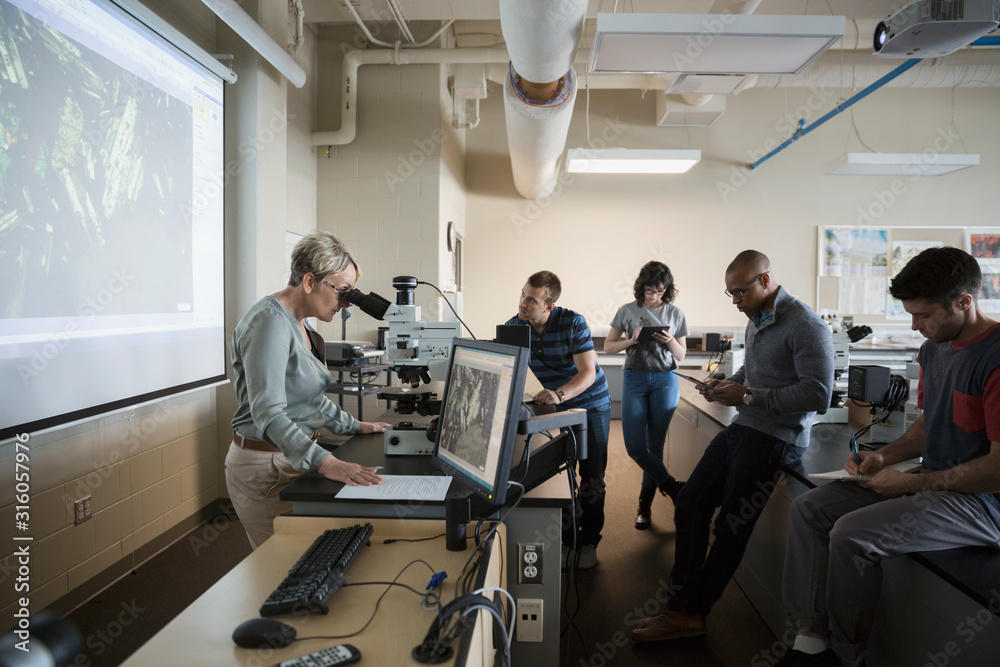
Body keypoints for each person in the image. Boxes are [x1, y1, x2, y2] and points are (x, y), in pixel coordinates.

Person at [778, 247, 1000, 667]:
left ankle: (846, 656)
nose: (915, 327)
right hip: (933, 479)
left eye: (924, 315)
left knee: (852, 534)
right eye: (910, 315)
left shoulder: (994, 357)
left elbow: (997, 470)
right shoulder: (935, 350)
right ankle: (809, 642)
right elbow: (928, 425)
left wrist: (912, 483)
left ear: (965, 302)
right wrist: (884, 457)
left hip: (982, 504)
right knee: (809, 510)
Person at [631, 250, 834, 641]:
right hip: (745, 428)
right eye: (731, 295)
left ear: (765, 280)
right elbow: (752, 372)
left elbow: (818, 393)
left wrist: (748, 395)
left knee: (730, 527)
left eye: (740, 293)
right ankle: (681, 606)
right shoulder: (756, 319)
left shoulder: (807, 325)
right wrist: (727, 384)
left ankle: (690, 612)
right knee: (689, 502)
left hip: (777, 438)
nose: (737, 302)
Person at [225, 232, 388, 549]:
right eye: (342, 292)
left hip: (289, 459)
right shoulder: (270, 322)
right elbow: (268, 413)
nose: (345, 304)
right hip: (264, 468)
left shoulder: (302, 323)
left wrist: (355, 425)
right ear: (310, 281)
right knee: (281, 566)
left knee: (308, 556)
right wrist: (329, 463)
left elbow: (311, 400)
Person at [505, 270, 612, 569]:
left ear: (549, 306)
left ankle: (589, 542)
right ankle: (568, 541)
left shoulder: (572, 322)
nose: (523, 303)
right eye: (522, 294)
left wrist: (559, 394)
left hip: (591, 405)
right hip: (555, 408)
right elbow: (509, 371)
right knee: (559, 475)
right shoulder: (515, 326)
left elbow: (588, 372)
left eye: (531, 299)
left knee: (592, 478)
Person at [605, 261, 688, 530]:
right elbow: (608, 347)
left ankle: (644, 507)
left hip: (665, 380)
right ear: (641, 287)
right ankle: (674, 488)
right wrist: (631, 341)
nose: (654, 296)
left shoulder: (676, 313)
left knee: (655, 447)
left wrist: (669, 341)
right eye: (650, 291)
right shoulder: (626, 311)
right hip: (635, 380)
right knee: (635, 448)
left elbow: (681, 354)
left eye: (660, 291)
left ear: (667, 290)